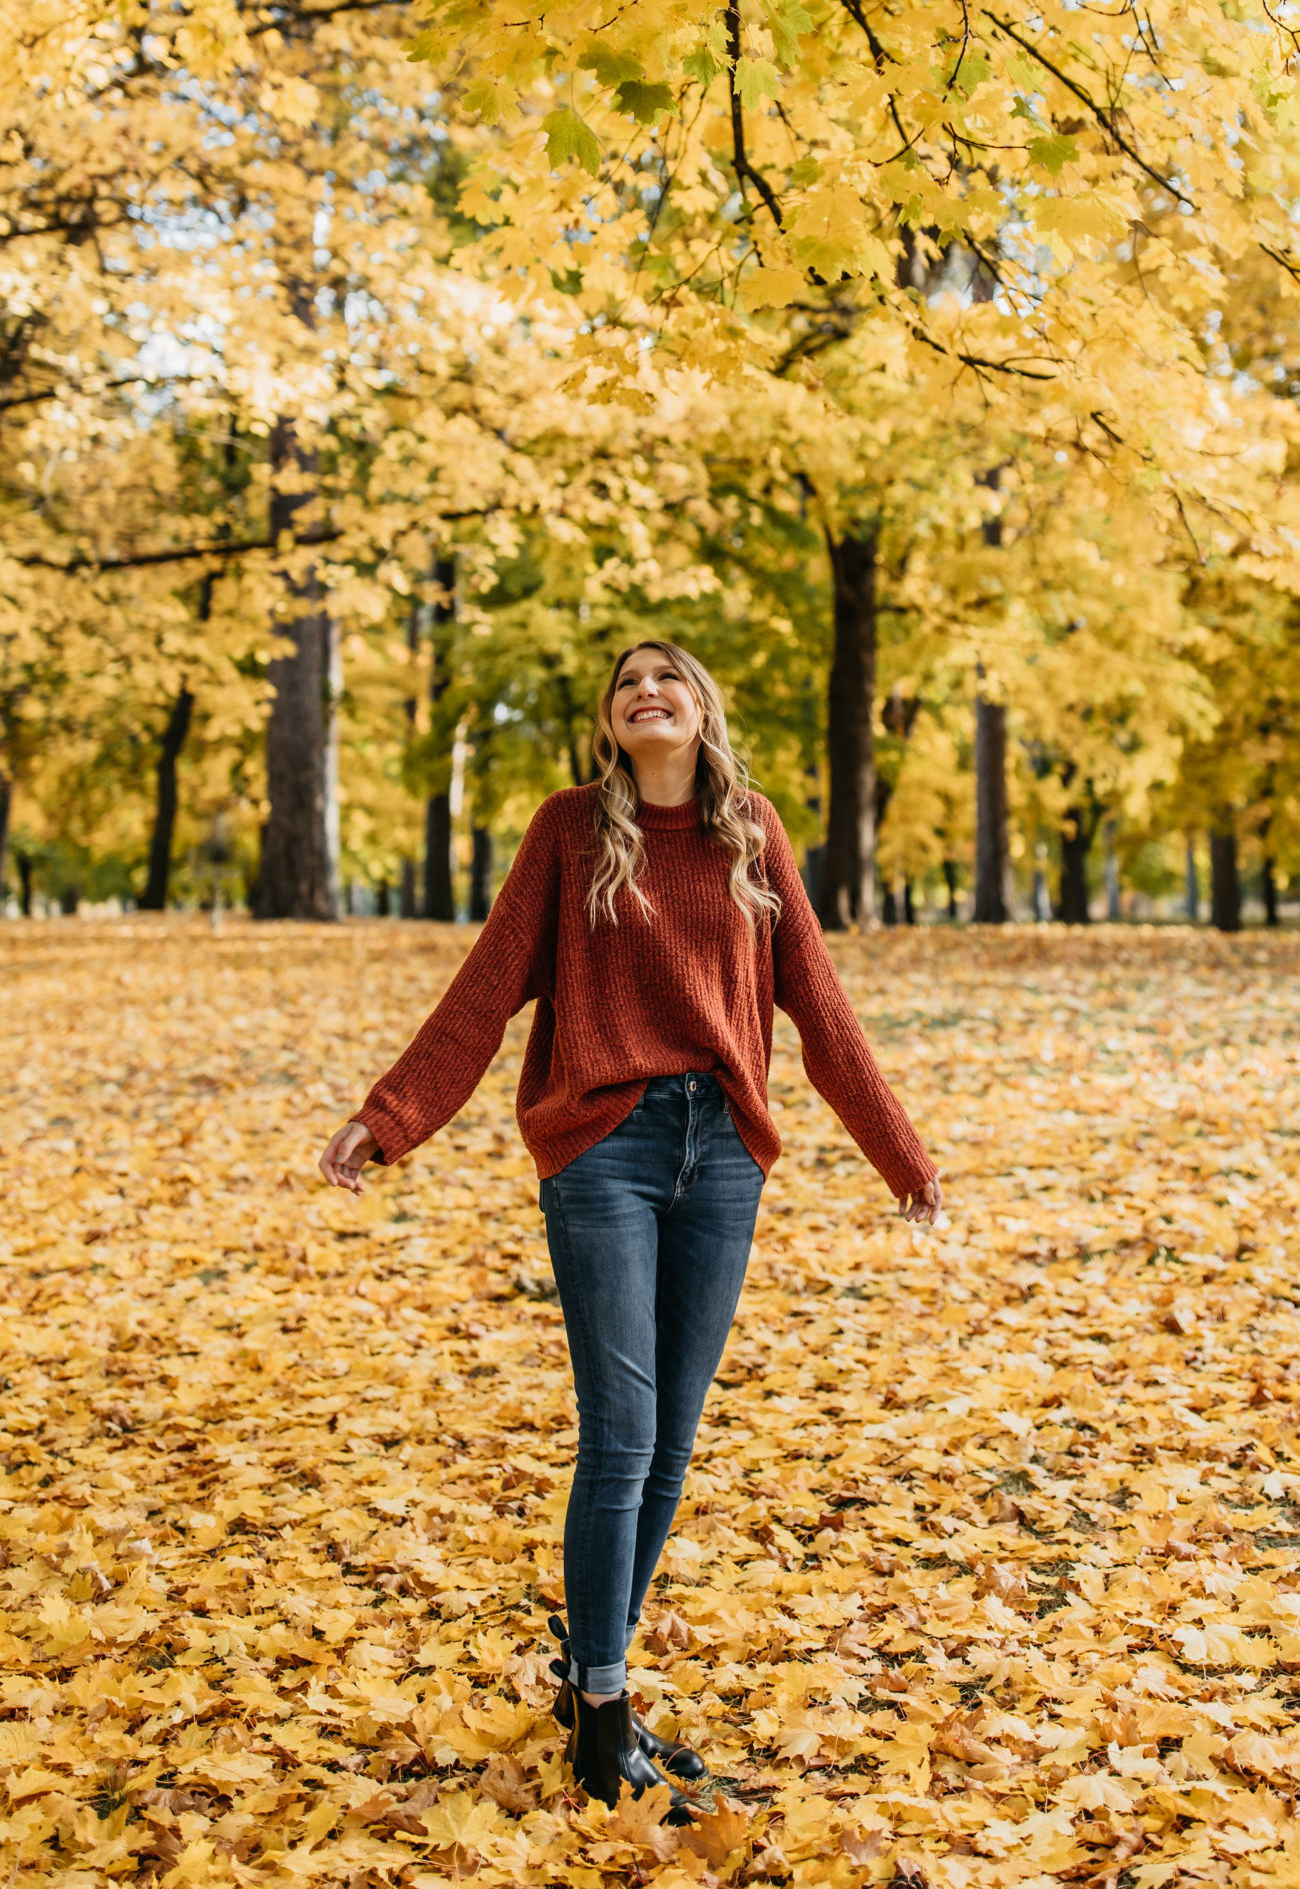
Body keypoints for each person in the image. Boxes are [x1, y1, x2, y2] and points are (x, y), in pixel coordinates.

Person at [320, 639, 941, 1816]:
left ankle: (588, 1675)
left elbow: (821, 1006)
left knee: (671, 1438)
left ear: (703, 708)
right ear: (612, 723)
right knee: (622, 1430)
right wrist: (387, 1117)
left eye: (669, 679)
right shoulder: (568, 830)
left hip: (723, 1162)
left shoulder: (751, 831)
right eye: (625, 685)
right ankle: (602, 1704)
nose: (646, 693)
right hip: (603, 1144)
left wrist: (898, 1152)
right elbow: (485, 988)